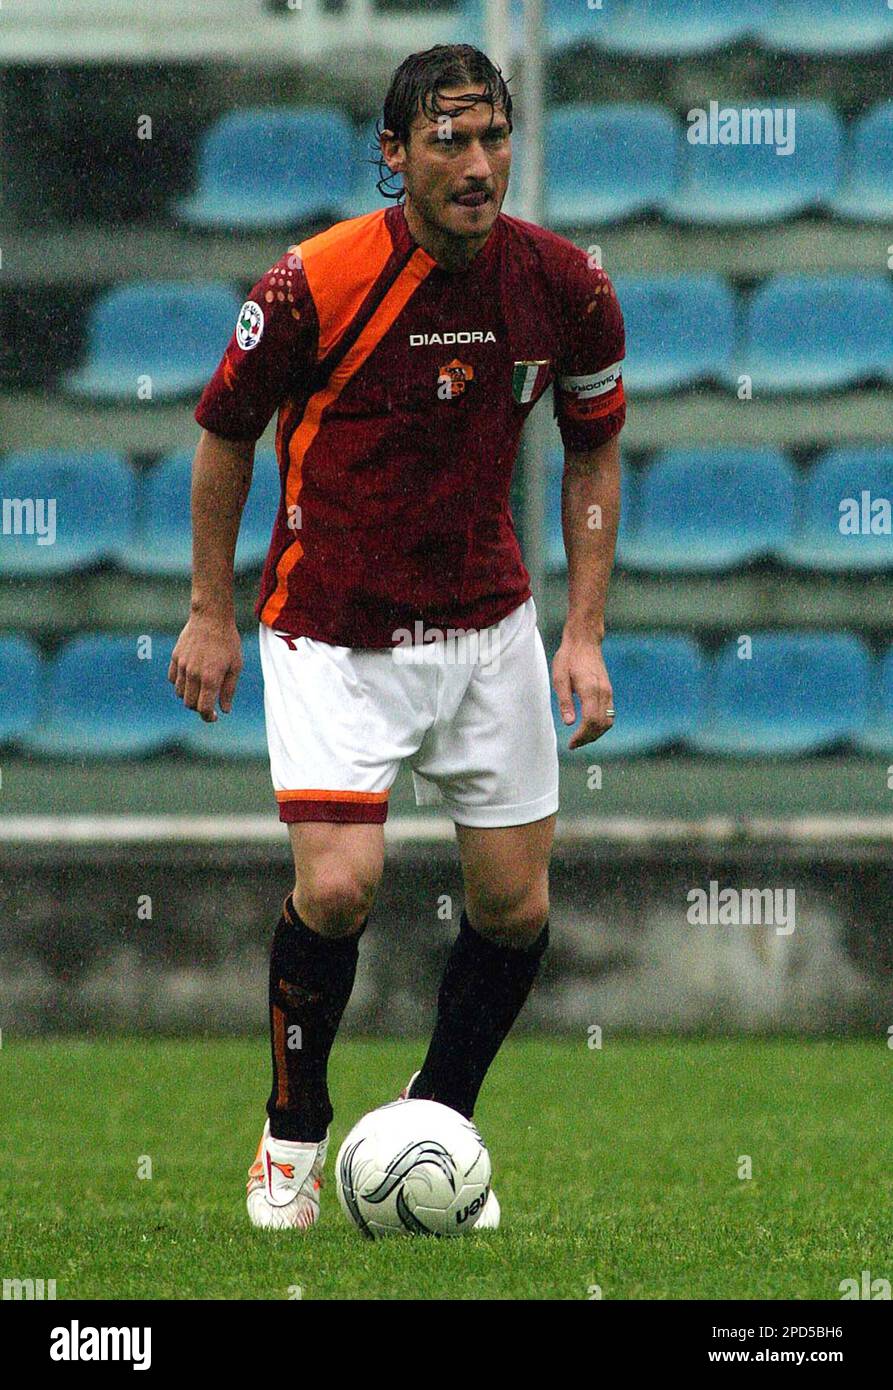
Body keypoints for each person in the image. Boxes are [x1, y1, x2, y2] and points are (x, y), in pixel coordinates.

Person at [169, 42, 625, 1231]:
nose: (477, 166)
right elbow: (223, 433)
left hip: (487, 626)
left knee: (515, 910)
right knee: (337, 889)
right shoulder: (310, 284)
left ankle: (437, 1123)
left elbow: (592, 446)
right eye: (447, 141)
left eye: (492, 138)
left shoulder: (566, 285)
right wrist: (211, 608)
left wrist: (579, 633)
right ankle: (292, 1133)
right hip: (332, 631)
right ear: (393, 153)